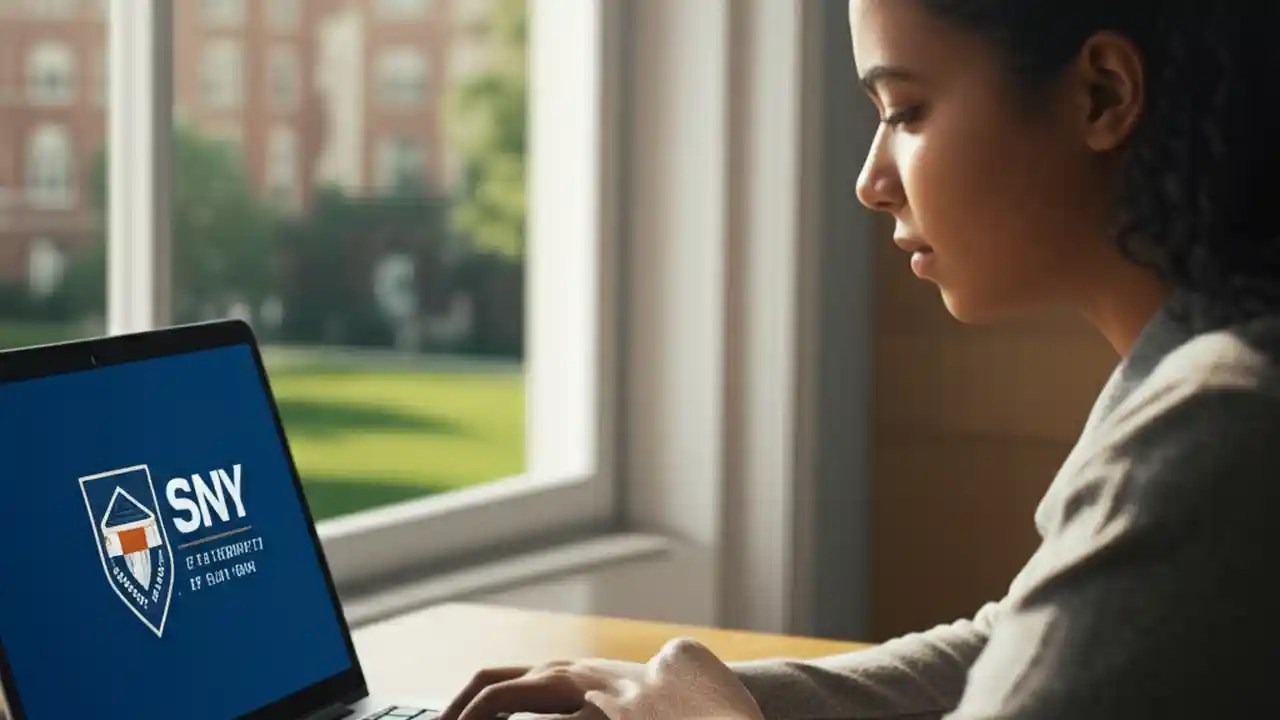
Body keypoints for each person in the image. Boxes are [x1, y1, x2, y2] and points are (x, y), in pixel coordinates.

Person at [439, 0, 1280, 717]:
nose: (871, 180)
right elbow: (1023, 638)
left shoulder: (1218, 424)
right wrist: (710, 694)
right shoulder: (1195, 359)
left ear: (1103, 93)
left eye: (906, 111)